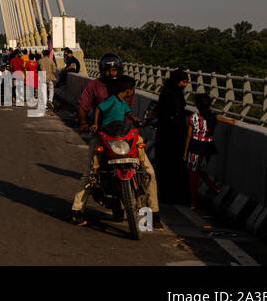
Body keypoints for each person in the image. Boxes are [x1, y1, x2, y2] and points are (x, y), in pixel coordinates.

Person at [72, 73, 159, 227]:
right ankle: (77, 210)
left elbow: (128, 113)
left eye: (114, 70)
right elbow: (93, 108)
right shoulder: (96, 88)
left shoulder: (123, 101)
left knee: (147, 171)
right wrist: (93, 124)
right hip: (105, 136)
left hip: (124, 136)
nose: (111, 73)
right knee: (91, 172)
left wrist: (135, 119)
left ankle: (153, 213)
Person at [153, 69, 191, 204]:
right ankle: (169, 196)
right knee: (168, 166)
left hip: (176, 135)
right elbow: (167, 114)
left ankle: (174, 196)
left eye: (186, 82)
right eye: (183, 81)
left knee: (175, 166)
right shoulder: (169, 94)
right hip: (168, 135)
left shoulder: (175, 93)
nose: (185, 84)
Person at [185, 94, 222, 210]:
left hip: (196, 145)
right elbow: (219, 118)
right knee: (200, 169)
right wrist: (231, 122)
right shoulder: (213, 117)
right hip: (208, 147)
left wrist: (185, 151)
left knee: (193, 174)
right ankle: (213, 187)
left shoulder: (193, 117)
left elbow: (189, 135)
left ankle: (193, 201)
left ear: (197, 105)